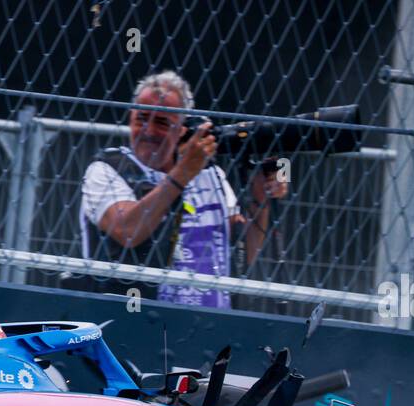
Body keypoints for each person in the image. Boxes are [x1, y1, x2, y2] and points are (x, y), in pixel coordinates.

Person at [79, 70, 289, 307]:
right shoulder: (105, 170)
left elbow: (243, 252)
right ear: (130, 119)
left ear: (181, 128)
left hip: (210, 323)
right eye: (141, 118)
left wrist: (260, 201)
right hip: (134, 319)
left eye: (161, 122)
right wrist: (184, 172)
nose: (148, 130)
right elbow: (127, 231)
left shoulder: (210, 174)